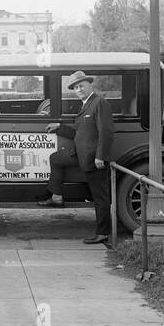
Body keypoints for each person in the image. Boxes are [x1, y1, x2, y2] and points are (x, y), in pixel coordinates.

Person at [37, 70, 115, 244]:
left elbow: (107, 133)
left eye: (82, 85)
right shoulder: (86, 104)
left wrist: (100, 156)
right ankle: (55, 195)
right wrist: (59, 126)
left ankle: (103, 233)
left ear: (89, 85)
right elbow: (78, 133)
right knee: (56, 158)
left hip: (94, 159)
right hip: (81, 155)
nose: (79, 89)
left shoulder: (99, 103)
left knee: (100, 197)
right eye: (76, 87)